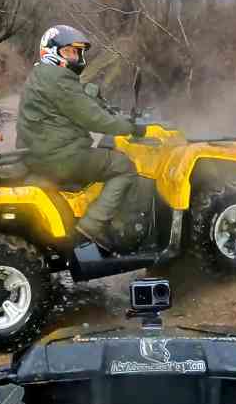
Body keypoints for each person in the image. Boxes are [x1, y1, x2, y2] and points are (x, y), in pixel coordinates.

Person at [16, 26, 146, 254]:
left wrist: (90, 95)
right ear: (51, 52)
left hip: (37, 155)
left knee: (104, 155)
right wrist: (130, 127)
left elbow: (72, 101)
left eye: (77, 53)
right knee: (124, 166)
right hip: (62, 157)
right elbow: (93, 119)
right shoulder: (59, 78)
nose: (76, 58)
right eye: (70, 52)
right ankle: (92, 229)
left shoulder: (40, 75)